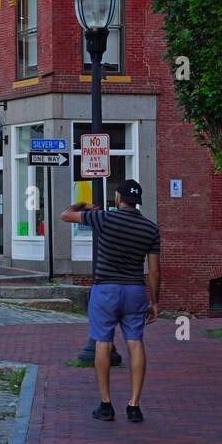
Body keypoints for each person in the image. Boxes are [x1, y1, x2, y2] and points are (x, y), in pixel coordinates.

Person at [60, 181, 160, 423]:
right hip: (135, 290)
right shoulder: (150, 229)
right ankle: (134, 406)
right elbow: (155, 270)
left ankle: (106, 405)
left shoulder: (103, 218)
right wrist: (155, 301)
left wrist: (83, 204)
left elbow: (65, 215)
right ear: (138, 201)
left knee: (103, 343)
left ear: (118, 198)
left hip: (105, 290)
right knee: (135, 343)